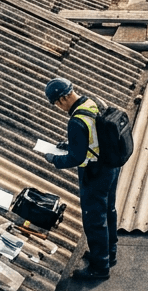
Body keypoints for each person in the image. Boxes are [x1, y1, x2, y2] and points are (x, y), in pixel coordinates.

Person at [44, 78, 119, 280]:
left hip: (95, 174)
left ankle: (99, 268)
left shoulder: (76, 121)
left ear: (62, 99)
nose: (58, 108)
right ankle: (109, 254)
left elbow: (77, 158)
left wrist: (55, 159)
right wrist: (69, 144)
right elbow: (92, 137)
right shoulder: (90, 102)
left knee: (95, 220)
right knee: (108, 210)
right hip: (111, 167)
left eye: (56, 104)